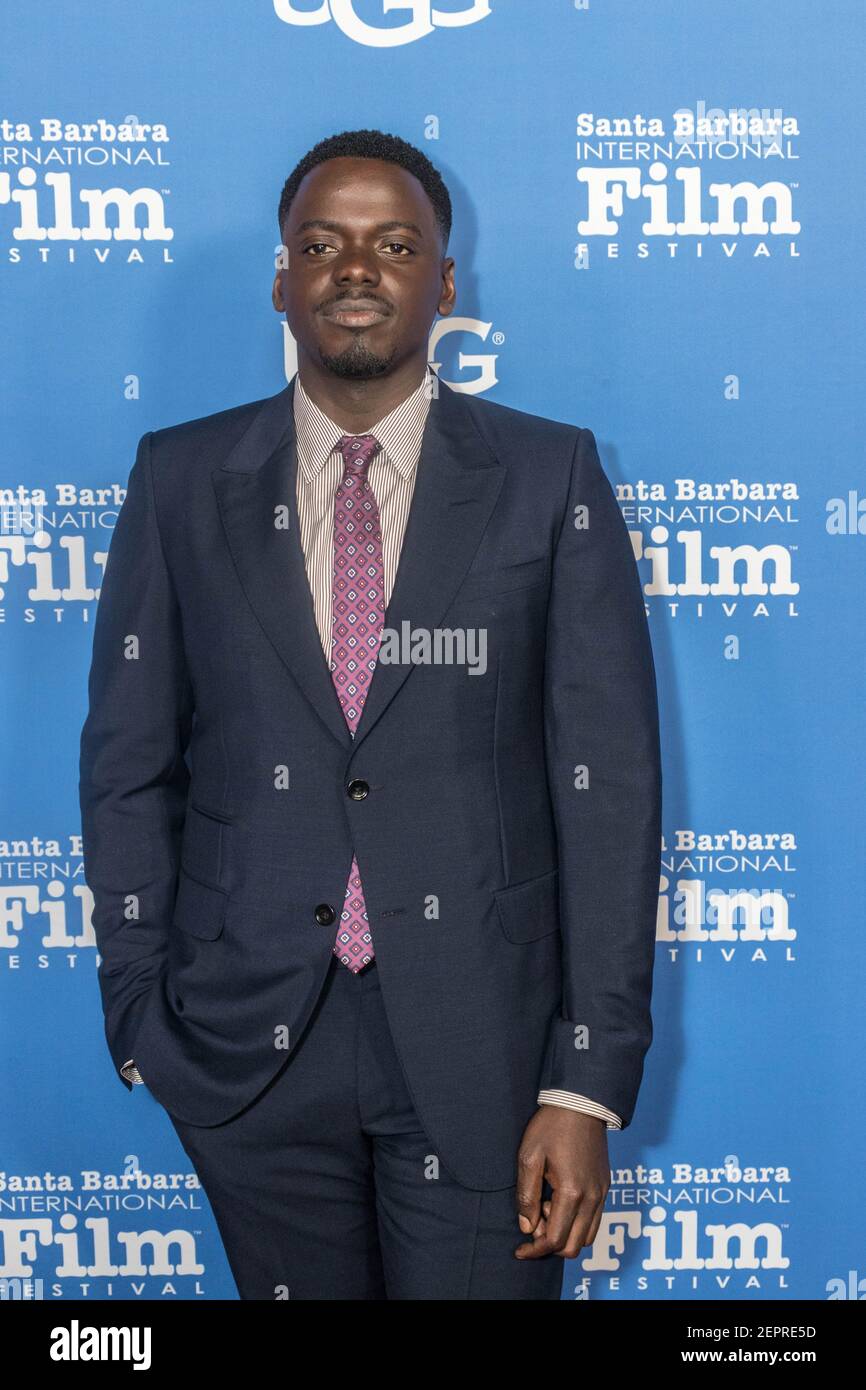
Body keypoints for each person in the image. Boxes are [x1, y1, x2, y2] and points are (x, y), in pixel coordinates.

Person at [79, 128, 662, 1301]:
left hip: (484, 1051)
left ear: (443, 283)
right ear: (284, 281)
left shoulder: (547, 479)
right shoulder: (181, 479)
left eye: (394, 245)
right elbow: (129, 763)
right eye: (322, 244)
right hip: (248, 1053)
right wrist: (139, 1006)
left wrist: (582, 1082)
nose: (357, 268)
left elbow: (606, 789)